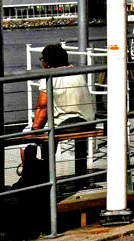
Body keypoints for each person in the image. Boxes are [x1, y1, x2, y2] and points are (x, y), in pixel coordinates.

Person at [18, 44, 96, 185]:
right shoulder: (77, 72)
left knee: (26, 136)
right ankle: (78, 179)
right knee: (50, 132)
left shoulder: (49, 76)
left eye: (42, 59)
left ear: (47, 62)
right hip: (88, 122)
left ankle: (31, 177)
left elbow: (42, 107)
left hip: (68, 125)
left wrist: (34, 130)